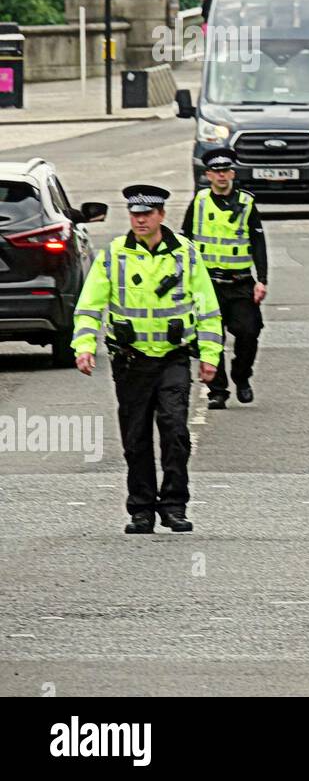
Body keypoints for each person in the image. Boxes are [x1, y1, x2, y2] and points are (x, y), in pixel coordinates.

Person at [71, 186, 222, 534]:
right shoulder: (113, 255)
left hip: (173, 358)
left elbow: (208, 310)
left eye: (147, 214)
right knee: (135, 438)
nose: (140, 220)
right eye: (135, 214)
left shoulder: (186, 254)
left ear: (161, 216)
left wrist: (210, 356)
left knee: (175, 432)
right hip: (131, 362)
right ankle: (141, 510)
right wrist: (84, 346)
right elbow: (90, 306)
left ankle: (174, 506)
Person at [181, 148, 268, 410]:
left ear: (232, 173)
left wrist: (261, 279)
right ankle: (217, 390)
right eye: (216, 172)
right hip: (207, 284)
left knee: (249, 332)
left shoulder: (247, 203)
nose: (221, 176)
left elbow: (258, 242)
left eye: (226, 171)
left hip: (241, 282)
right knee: (210, 337)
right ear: (208, 175)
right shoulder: (199, 202)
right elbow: (184, 240)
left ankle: (242, 377)